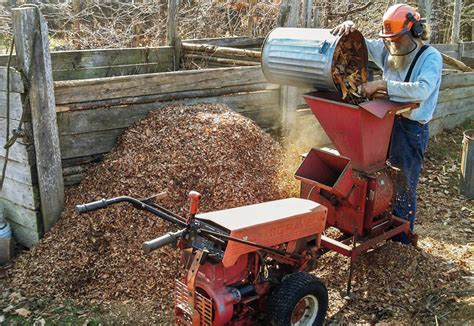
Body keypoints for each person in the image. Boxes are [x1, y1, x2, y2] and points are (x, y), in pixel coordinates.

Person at [331, 4, 443, 244]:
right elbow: (364, 46)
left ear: (415, 31)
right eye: (389, 39)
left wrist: (382, 85)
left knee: (403, 183)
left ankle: (400, 241)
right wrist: (352, 30)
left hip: (411, 129)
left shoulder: (430, 57)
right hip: (387, 122)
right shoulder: (391, 50)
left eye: (397, 39)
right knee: (381, 177)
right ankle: (380, 224)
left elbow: (422, 89)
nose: (392, 44)